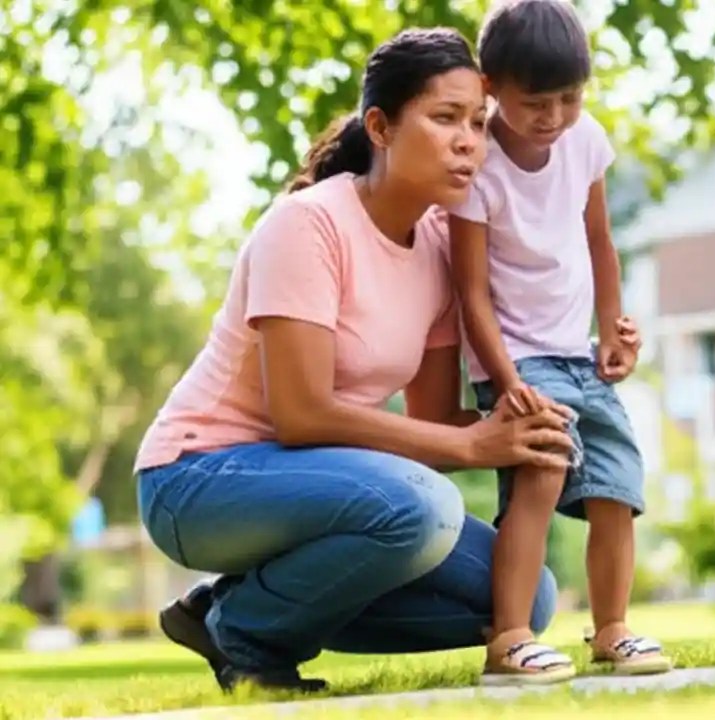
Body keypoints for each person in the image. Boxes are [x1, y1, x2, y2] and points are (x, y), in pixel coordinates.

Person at [134, 26, 637, 694]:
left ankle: (242, 607)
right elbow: (301, 415)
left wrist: (529, 428)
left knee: (524, 598)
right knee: (421, 507)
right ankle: (247, 632)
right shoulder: (307, 224)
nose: (469, 141)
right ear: (381, 126)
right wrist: (477, 446)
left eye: (480, 124)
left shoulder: (439, 248)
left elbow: (436, 422)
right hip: (197, 481)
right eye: (445, 118)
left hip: (319, 491)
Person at [448, 0, 671, 686]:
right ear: (491, 88)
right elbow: (471, 292)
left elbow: (599, 240)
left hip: (579, 354)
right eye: (535, 102)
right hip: (515, 354)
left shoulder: (586, 141)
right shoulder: (478, 165)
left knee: (615, 486)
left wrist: (614, 327)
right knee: (540, 475)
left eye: (570, 98)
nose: (554, 116)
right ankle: (509, 638)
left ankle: (612, 631)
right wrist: (506, 377)